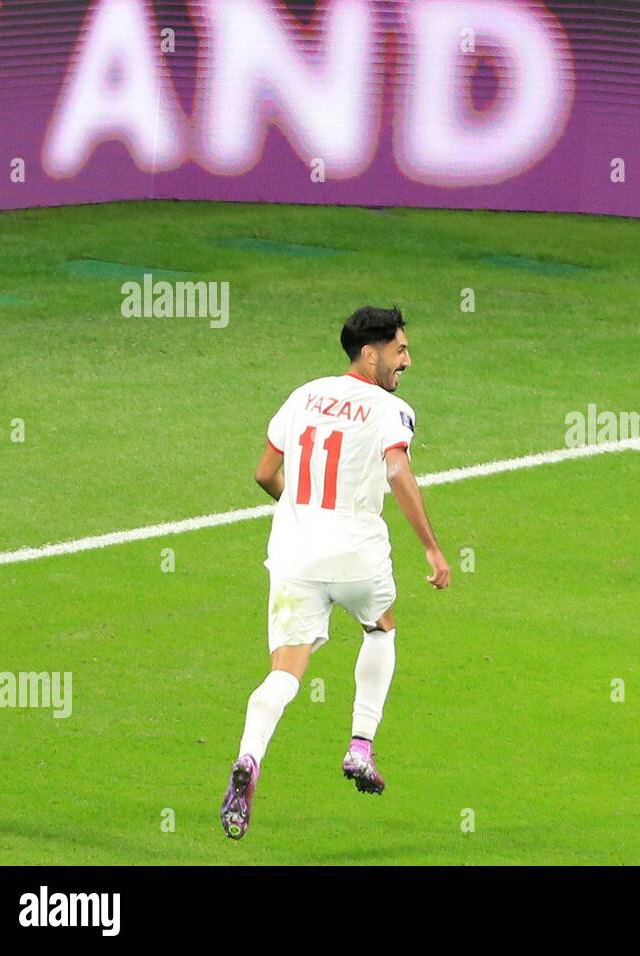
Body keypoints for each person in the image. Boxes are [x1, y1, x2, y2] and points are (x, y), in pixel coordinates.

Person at [220, 306, 451, 840]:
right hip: (356, 554)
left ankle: (249, 758)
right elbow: (397, 472)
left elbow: (263, 473)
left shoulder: (302, 394)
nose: (408, 361)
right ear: (370, 354)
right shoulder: (389, 408)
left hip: (294, 554)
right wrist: (434, 550)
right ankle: (360, 746)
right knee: (380, 627)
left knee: (285, 670)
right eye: (400, 350)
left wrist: (300, 508)